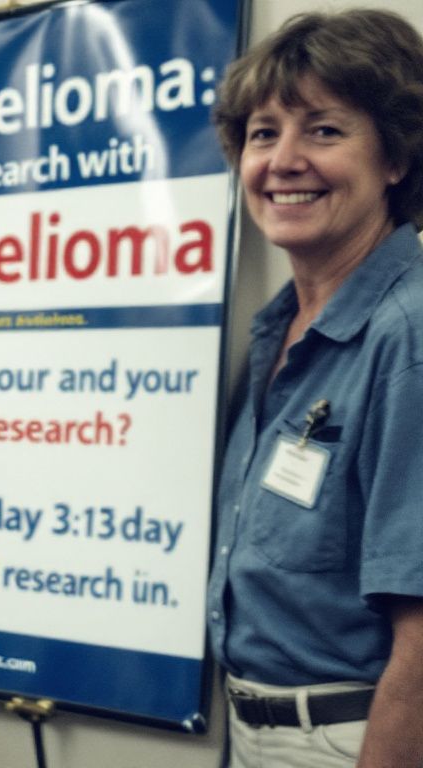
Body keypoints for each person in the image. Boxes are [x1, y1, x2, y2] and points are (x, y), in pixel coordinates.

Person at [206, 9, 423, 766]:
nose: (284, 160)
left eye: (324, 131)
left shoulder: (410, 335)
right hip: (256, 728)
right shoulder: (278, 332)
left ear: (396, 158)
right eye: (264, 134)